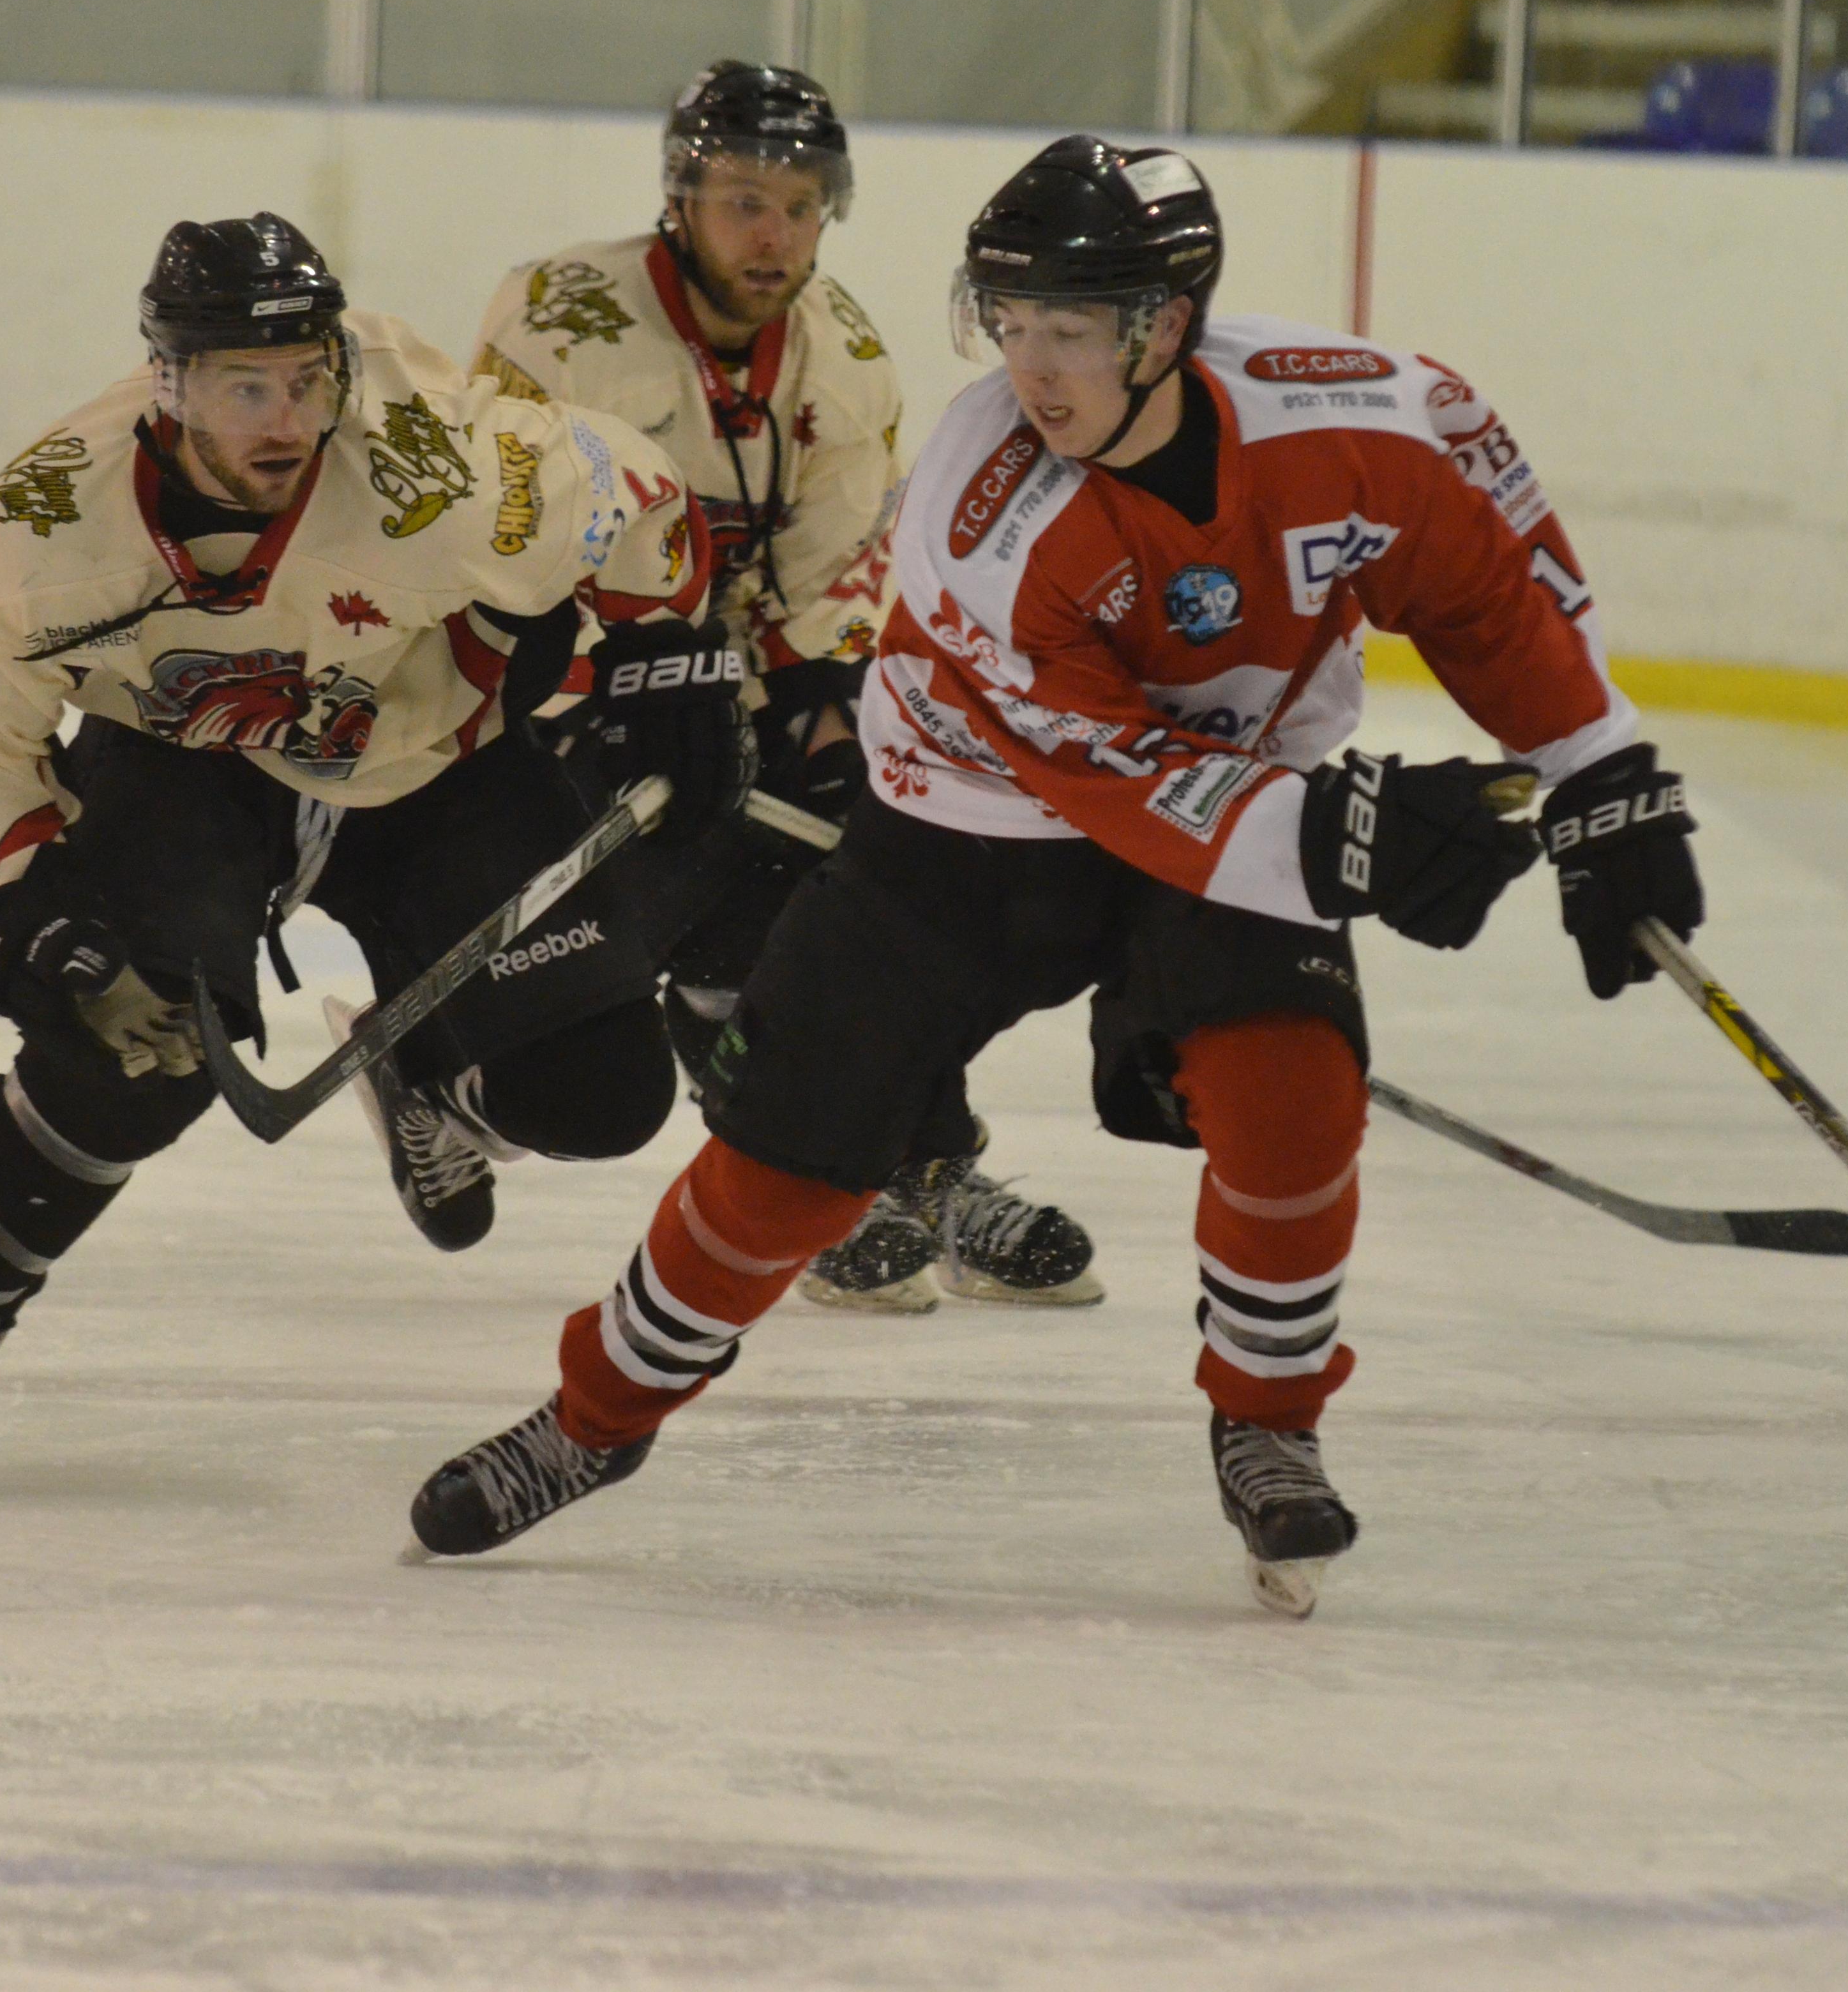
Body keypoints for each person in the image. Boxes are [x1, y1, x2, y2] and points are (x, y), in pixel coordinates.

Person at [402, 137, 1703, 1617]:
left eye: (1069, 329)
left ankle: (1269, 1426)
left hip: (1232, 799)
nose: (1030, 367)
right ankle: (593, 1421)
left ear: (1167, 324)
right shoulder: (987, 508)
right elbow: (1113, 776)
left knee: (1291, 1097)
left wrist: (1600, 773)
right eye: (1007, 322)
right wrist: (1345, 839)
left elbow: (1485, 599)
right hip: (968, 829)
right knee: (784, 1170)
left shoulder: (1366, 423)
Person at [0, 213, 747, 1483]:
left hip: (434, 760)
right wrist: (15, 904)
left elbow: (632, 489)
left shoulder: (436, 464)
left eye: (307, 381)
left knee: (601, 1099)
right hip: (196, 771)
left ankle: (425, 1078)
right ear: (169, 383)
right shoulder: (44, 529)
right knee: (126, 1043)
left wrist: (665, 649)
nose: (284, 421)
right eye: (244, 387)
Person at [467, 59, 1102, 1312]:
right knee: (712, 906)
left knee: (873, 878)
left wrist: (812, 714)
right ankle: (791, 1179)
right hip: (566, 694)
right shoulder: (562, 320)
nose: (775, 235)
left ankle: (923, 1168)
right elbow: (493, 543)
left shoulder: (844, 356)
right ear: (681, 198)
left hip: (732, 692)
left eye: (803, 206)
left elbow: (828, 588)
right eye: (746, 201)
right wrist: (630, 678)